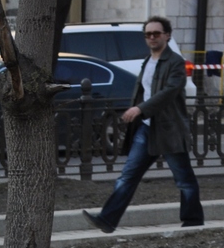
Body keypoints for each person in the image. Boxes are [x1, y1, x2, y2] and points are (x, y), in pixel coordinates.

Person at [83, 16, 202, 233]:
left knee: (184, 179)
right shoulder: (147, 61)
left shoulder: (175, 62)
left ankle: (193, 220)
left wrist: (140, 109)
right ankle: (107, 220)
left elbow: (169, 93)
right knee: (128, 176)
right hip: (147, 129)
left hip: (169, 129)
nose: (152, 38)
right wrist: (137, 112)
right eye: (148, 34)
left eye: (156, 33)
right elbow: (143, 92)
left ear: (167, 35)